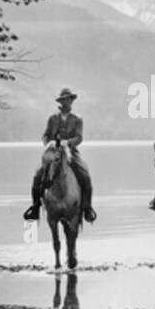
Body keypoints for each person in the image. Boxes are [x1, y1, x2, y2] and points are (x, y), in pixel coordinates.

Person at [23, 87, 96, 223]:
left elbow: (79, 137)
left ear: (72, 101)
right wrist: (49, 143)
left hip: (70, 151)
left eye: (69, 99)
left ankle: (87, 207)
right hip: (53, 151)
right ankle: (35, 207)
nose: (66, 102)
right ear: (61, 101)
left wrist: (68, 143)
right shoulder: (52, 118)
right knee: (38, 174)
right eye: (64, 100)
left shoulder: (77, 119)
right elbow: (45, 136)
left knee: (85, 174)